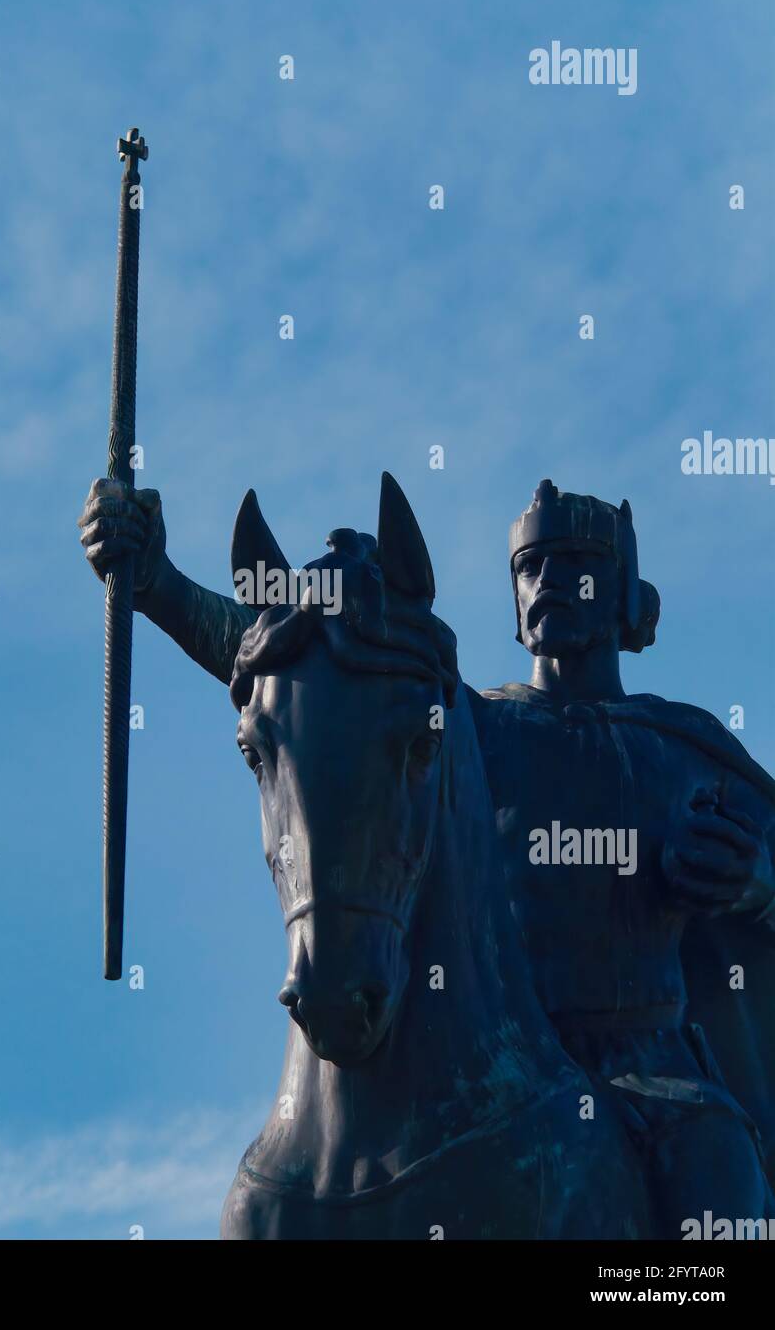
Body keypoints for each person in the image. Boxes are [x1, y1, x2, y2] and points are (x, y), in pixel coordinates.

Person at [79, 474, 775, 1234]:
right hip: (500, 1053)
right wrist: (156, 582)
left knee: (722, 1178)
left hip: (648, 1067)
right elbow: (307, 666)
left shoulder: (681, 747)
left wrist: (754, 880)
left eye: (575, 563)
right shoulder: (475, 726)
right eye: (530, 567)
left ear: (625, 595)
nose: (548, 582)